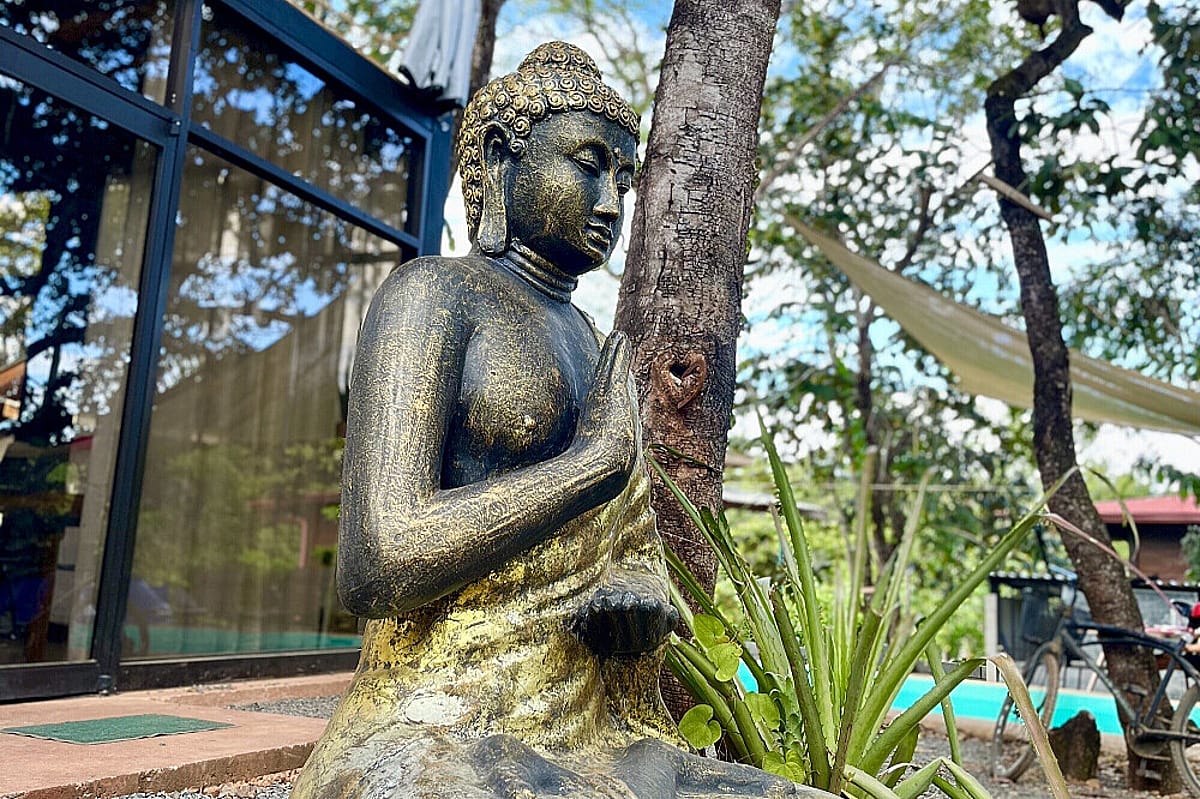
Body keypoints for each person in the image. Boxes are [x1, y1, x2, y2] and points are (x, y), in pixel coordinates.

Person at [291, 42, 825, 799]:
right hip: (440, 720)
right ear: (506, 155)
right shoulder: (434, 296)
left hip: (592, 727)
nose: (611, 201)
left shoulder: (594, 346)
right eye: (587, 163)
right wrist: (589, 465)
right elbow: (378, 560)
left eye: (624, 179)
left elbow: (629, 540)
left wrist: (636, 595)